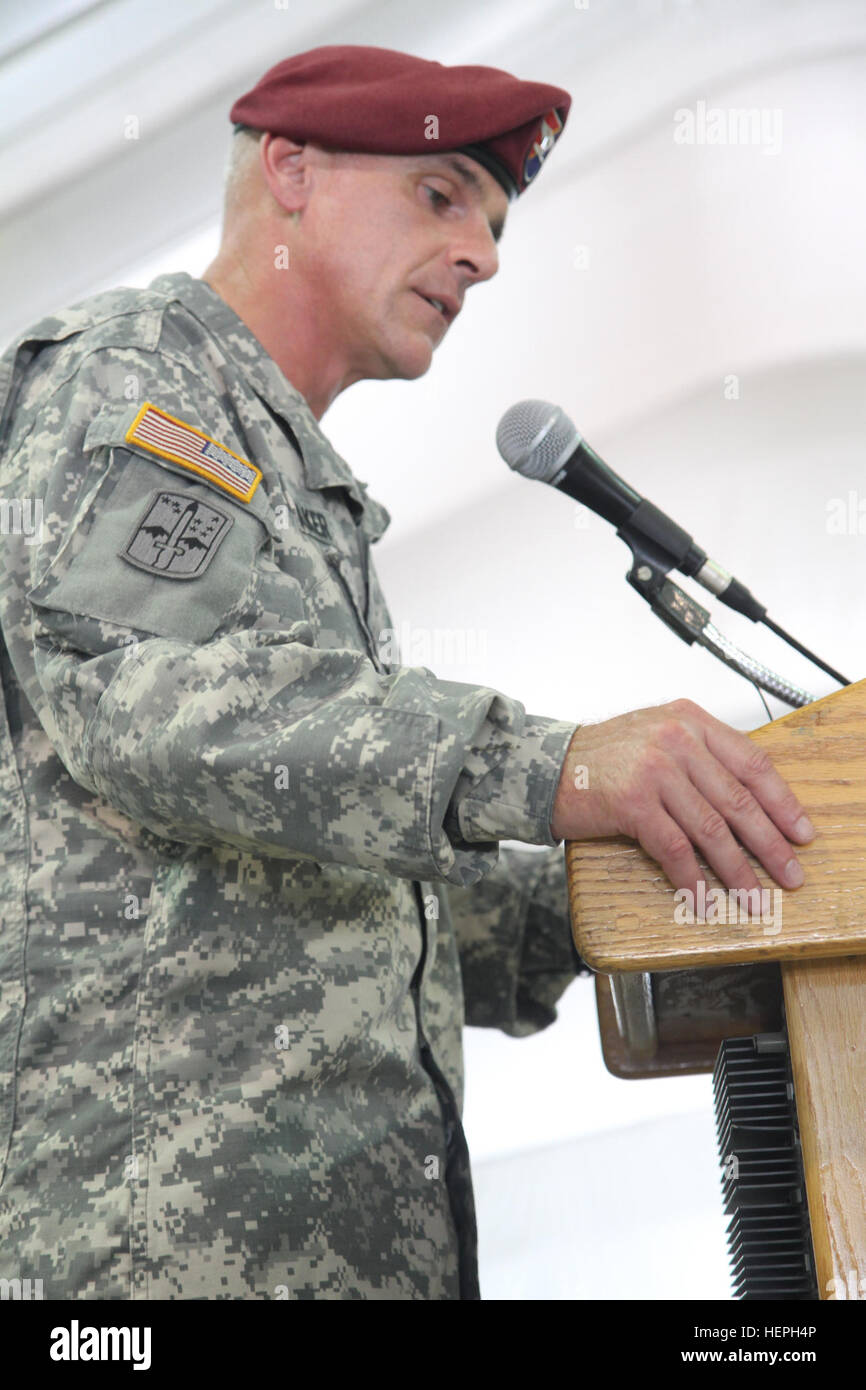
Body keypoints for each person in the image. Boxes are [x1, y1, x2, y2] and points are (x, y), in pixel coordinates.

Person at [0, 45, 814, 1302]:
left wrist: (709, 886)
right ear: (290, 170)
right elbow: (150, 704)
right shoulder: (139, 375)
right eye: (440, 198)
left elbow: (380, 918)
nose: (482, 255)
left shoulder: (307, 498)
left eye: (490, 227)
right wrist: (554, 763)